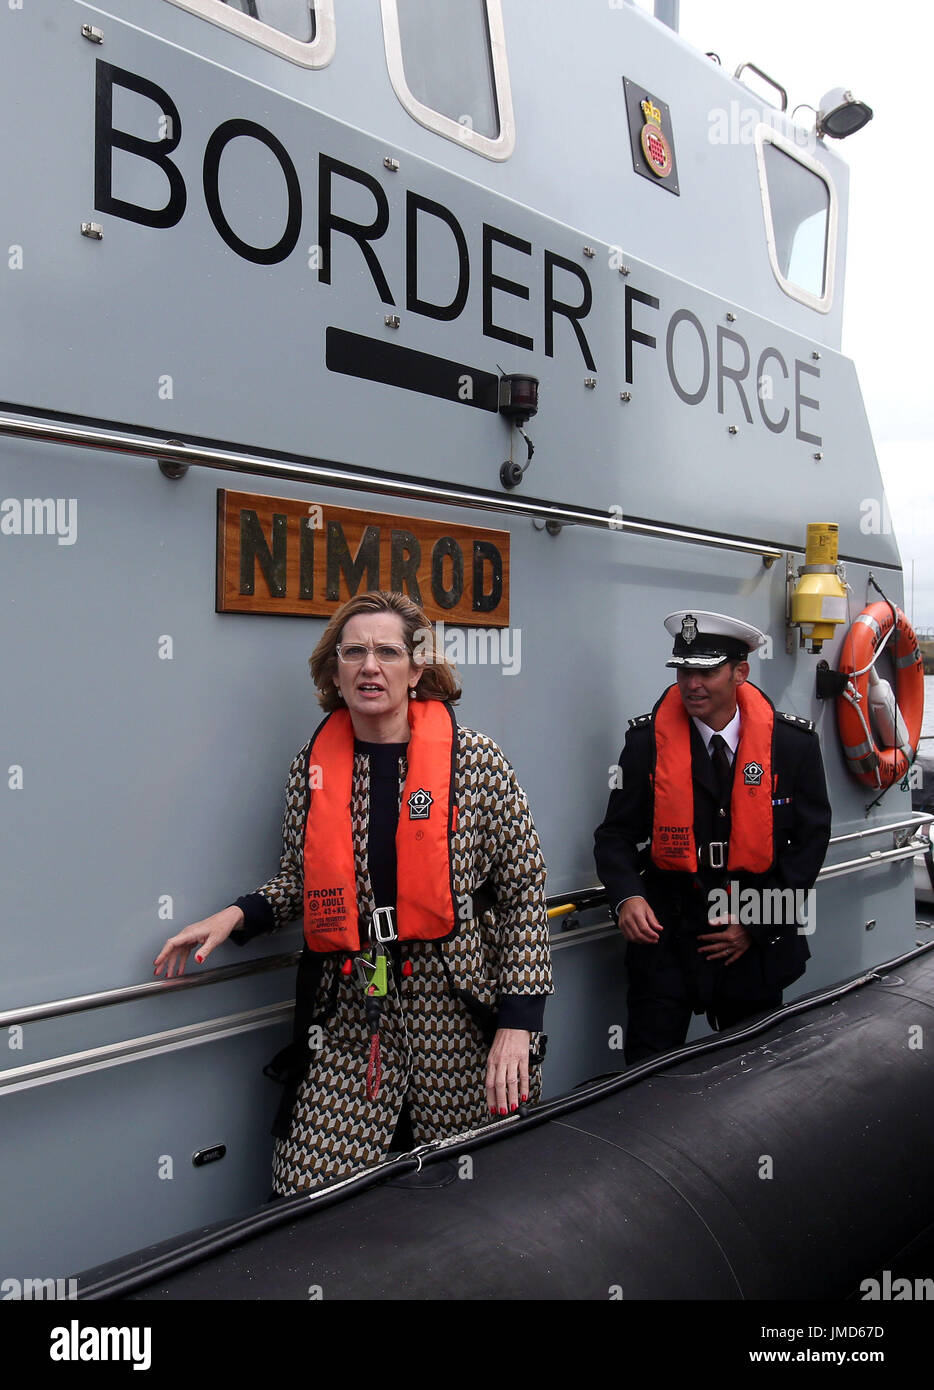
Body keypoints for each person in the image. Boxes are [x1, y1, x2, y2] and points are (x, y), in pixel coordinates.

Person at [154, 590, 552, 1194]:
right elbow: (301, 880)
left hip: (461, 1020)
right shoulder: (311, 768)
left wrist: (519, 1023)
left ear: (417, 667)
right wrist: (236, 915)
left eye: (388, 651)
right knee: (307, 1191)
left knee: (473, 1198)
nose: (370, 666)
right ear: (334, 671)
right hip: (352, 1016)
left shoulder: (476, 762)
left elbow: (523, 891)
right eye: (354, 652)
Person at [594, 610, 831, 1064]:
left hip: (752, 940)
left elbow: (810, 844)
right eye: (684, 671)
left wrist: (756, 925)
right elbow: (615, 836)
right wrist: (627, 898)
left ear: (740, 672)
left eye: (706, 671)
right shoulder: (645, 744)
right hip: (667, 938)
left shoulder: (793, 746)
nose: (691, 684)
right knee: (648, 1074)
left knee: (756, 1078)